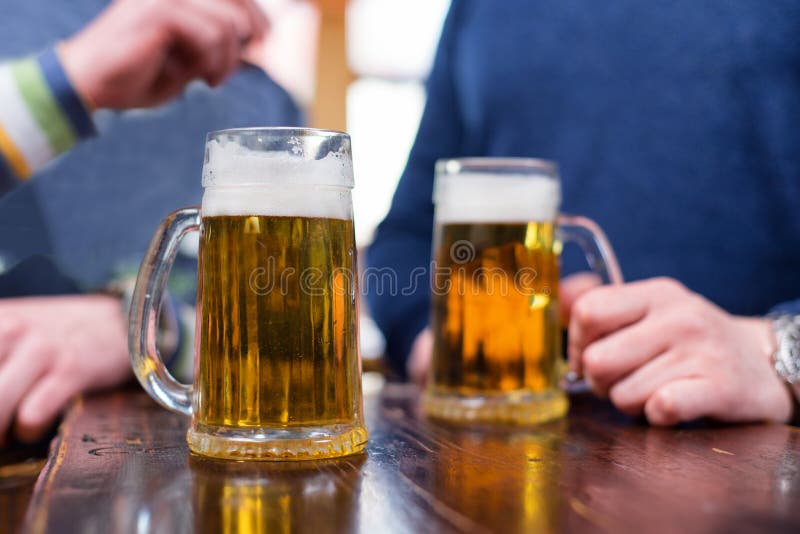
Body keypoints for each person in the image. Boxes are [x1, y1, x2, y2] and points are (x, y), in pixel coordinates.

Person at [366, 0, 800, 425]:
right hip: (507, 449)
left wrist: (778, 349)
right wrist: (444, 343)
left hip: (752, 456)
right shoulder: (475, 8)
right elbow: (405, 236)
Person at [0, 0, 303, 445]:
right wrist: (68, 83)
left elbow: (300, 344)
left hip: (187, 468)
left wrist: (139, 328)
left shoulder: (265, 104)